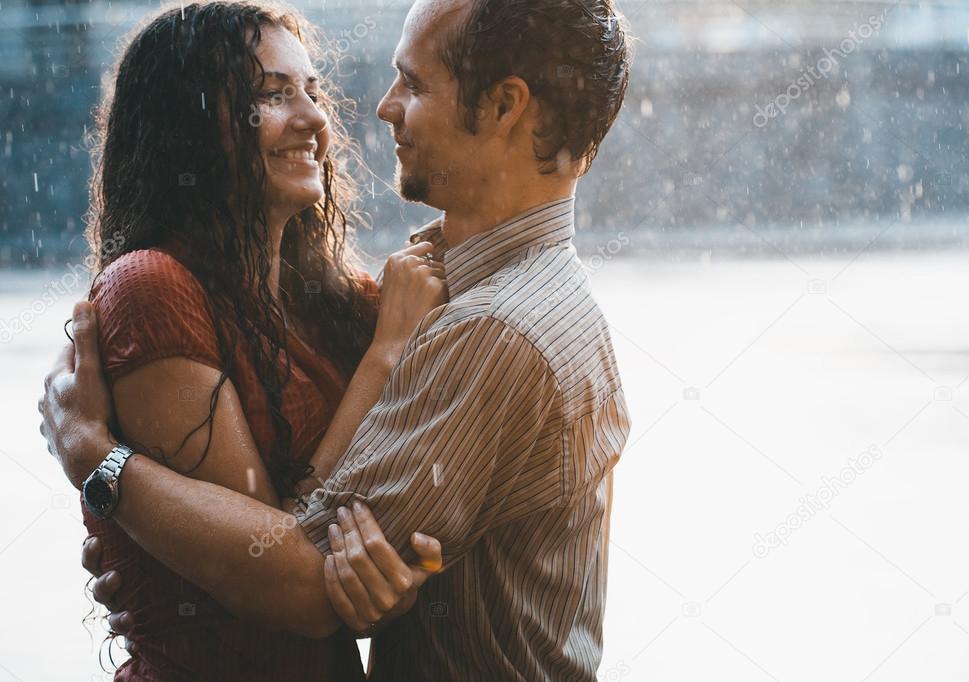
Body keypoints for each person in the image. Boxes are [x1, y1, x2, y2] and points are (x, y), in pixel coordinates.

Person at [41, 0, 634, 679]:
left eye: (413, 82)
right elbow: (297, 572)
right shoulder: (399, 298)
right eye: (272, 94)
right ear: (190, 125)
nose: (341, 115)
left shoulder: (448, 319)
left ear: (504, 107)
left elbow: (305, 574)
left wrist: (95, 461)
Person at [42, 2, 448, 679]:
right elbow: (289, 584)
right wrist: (386, 354)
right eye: (271, 94)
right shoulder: (151, 288)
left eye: (311, 91)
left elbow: (388, 510)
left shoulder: (327, 300)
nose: (316, 119)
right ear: (189, 127)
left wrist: (403, 573)